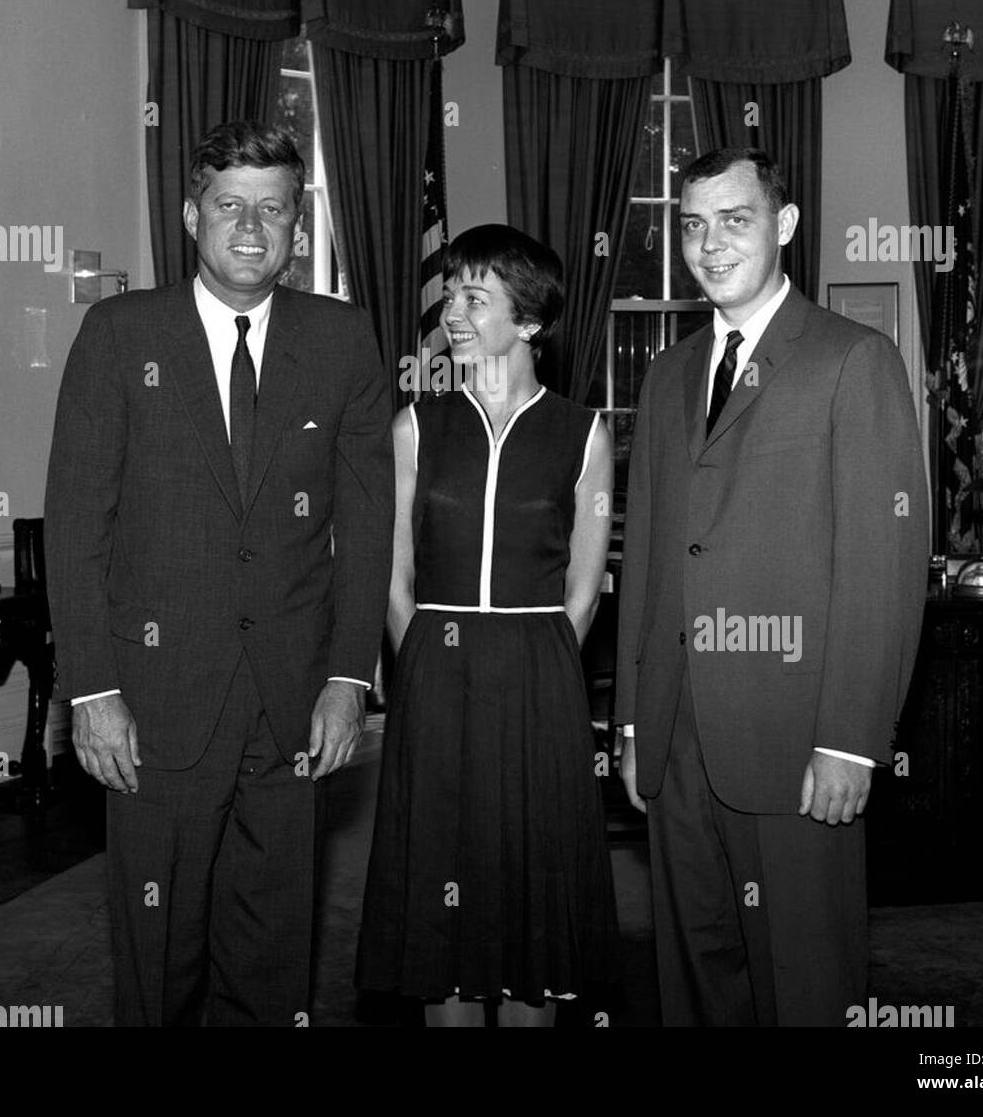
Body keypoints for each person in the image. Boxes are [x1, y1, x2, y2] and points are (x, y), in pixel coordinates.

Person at [44, 120, 392, 1026]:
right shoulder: (119, 335)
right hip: (152, 703)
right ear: (193, 213)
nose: (250, 226)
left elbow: (365, 526)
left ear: (297, 227)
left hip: (295, 706)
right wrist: (92, 693)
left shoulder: (343, 340)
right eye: (230, 205)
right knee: (157, 963)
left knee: (274, 957)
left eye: (272, 208)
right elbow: (78, 527)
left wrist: (350, 679)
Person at [616, 147, 929, 1027]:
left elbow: (883, 567)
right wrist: (635, 721)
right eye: (692, 225)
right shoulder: (669, 373)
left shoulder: (851, 360)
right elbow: (647, 560)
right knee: (694, 984)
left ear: (784, 225)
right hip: (676, 745)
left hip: (797, 747)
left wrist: (851, 741)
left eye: (734, 219)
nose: (710, 244)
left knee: (807, 987)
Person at [357, 224, 620, 1027]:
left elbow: (584, 590)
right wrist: (428, 666)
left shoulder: (584, 433)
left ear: (531, 321)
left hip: (540, 684)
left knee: (527, 901)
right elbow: (391, 576)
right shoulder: (415, 427)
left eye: (477, 297)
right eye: (452, 296)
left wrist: (530, 666)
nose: (454, 315)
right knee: (442, 905)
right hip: (435, 680)